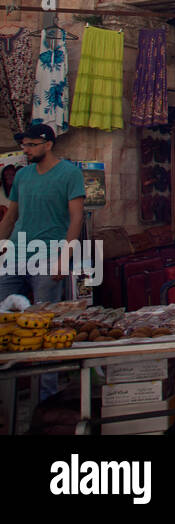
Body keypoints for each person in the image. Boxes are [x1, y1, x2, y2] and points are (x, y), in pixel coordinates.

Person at [0, 125, 86, 400]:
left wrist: (65, 257)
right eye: (24, 145)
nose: (26, 150)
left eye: (31, 145)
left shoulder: (69, 174)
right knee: (6, 324)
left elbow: (76, 218)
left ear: (48, 144)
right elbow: (11, 216)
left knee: (45, 328)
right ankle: (7, 397)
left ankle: (45, 402)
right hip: (14, 254)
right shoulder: (23, 176)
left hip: (48, 256)